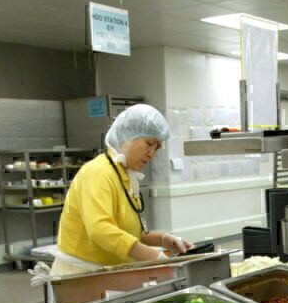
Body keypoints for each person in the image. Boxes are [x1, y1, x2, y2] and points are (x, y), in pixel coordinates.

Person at [50, 104, 191, 276]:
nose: (151, 153)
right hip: (79, 275)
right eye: (149, 143)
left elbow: (129, 232)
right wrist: (153, 255)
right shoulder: (98, 173)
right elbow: (100, 230)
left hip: (106, 274)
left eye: (156, 148)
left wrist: (164, 240)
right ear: (128, 136)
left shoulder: (125, 176)